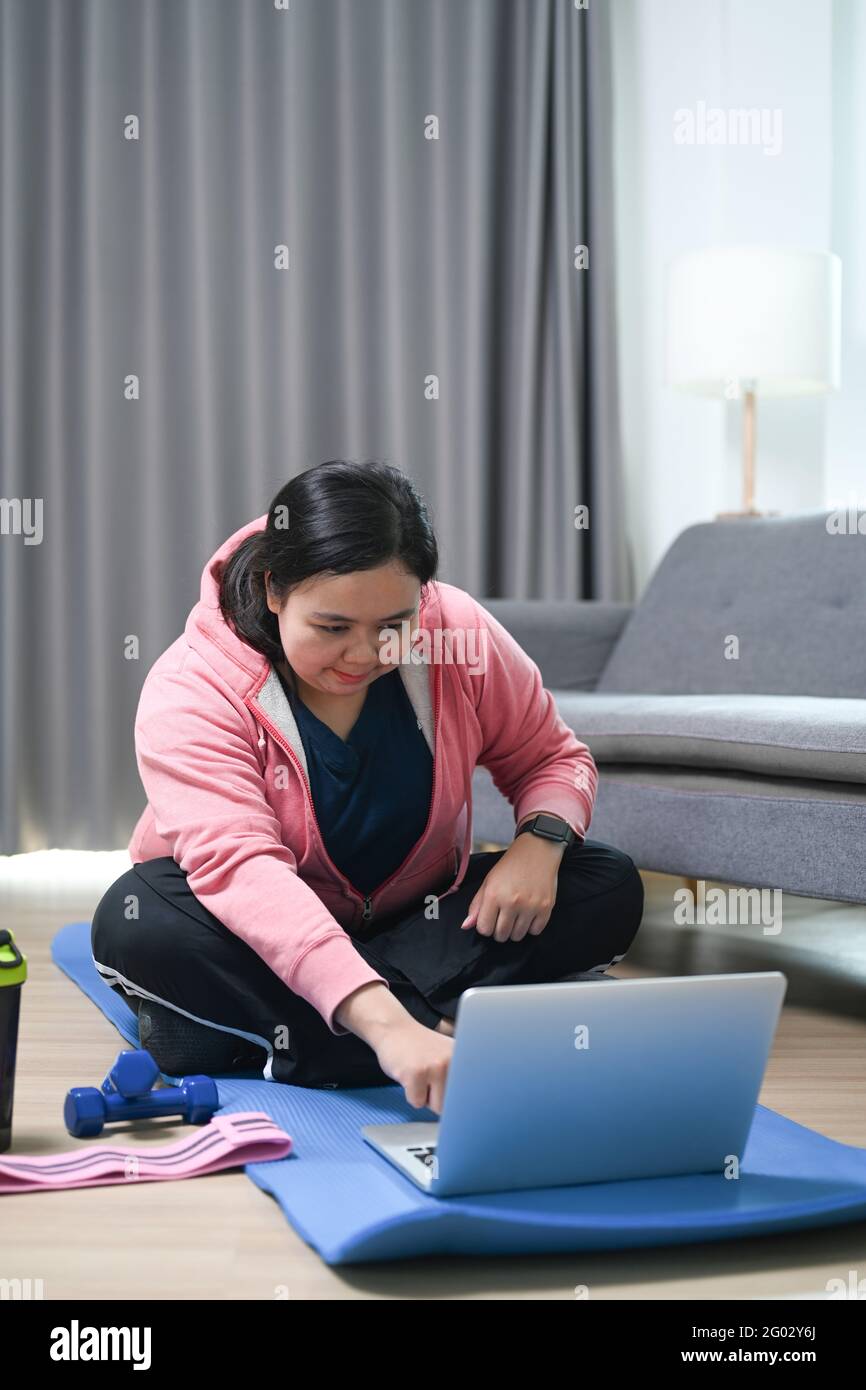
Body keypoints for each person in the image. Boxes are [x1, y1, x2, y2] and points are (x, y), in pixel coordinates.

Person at [91, 460, 644, 1116]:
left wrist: (541, 843)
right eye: (332, 628)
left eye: (394, 625)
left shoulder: (455, 633)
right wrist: (391, 1029)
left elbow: (552, 757)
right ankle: (400, 1025)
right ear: (274, 590)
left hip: (412, 918)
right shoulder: (191, 687)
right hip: (246, 918)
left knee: (605, 882)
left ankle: (277, 1030)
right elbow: (245, 874)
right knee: (138, 917)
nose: (366, 654)